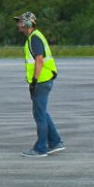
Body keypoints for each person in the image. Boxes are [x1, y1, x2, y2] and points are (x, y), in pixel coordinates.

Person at [17, 12, 64, 157]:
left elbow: (39, 60)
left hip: (42, 80)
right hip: (44, 79)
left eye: (20, 22)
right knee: (42, 111)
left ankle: (41, 147)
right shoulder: (34, 37)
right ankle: (55, 141)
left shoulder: (34, 38)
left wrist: (35, 81)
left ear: (28, 24)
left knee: (39, 114)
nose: (18, 24)